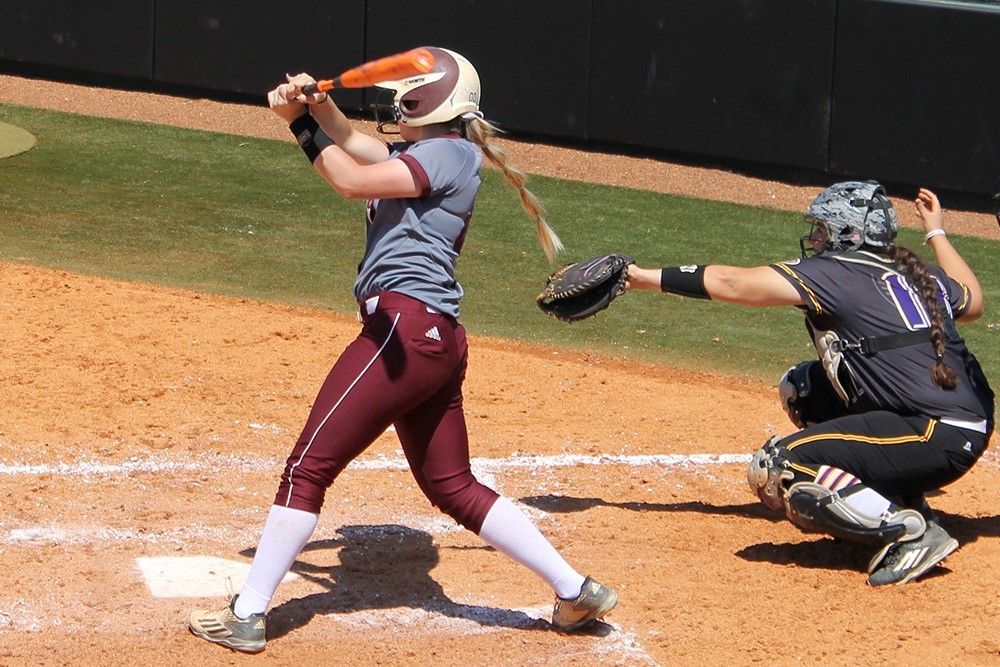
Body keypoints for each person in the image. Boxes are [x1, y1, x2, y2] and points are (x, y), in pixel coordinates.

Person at [187, 47, 616, 653]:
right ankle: (575, 590)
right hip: (435, 340)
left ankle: (248, 614)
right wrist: (318, 106)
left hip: (400, 335)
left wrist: (299, 125)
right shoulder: (435, 151)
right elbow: (355, 144)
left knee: (308, 467)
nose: (396, 103)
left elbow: (349, 178)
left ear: (430, 101)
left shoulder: (443, 152)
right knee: (453, 485)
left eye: (407, 95)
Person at [626, 180, 994, 586]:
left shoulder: (835, 272)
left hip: (934, 433)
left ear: (848, 233)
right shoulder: (917, 271)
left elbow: (734, 284)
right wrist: (936, 232)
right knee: (805, 389)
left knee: (781, 465)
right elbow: (972, 299)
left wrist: (640, 277)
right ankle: (899, 495)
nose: (815, 238)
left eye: (823, 229)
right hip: (951, 423)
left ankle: (910, 532)